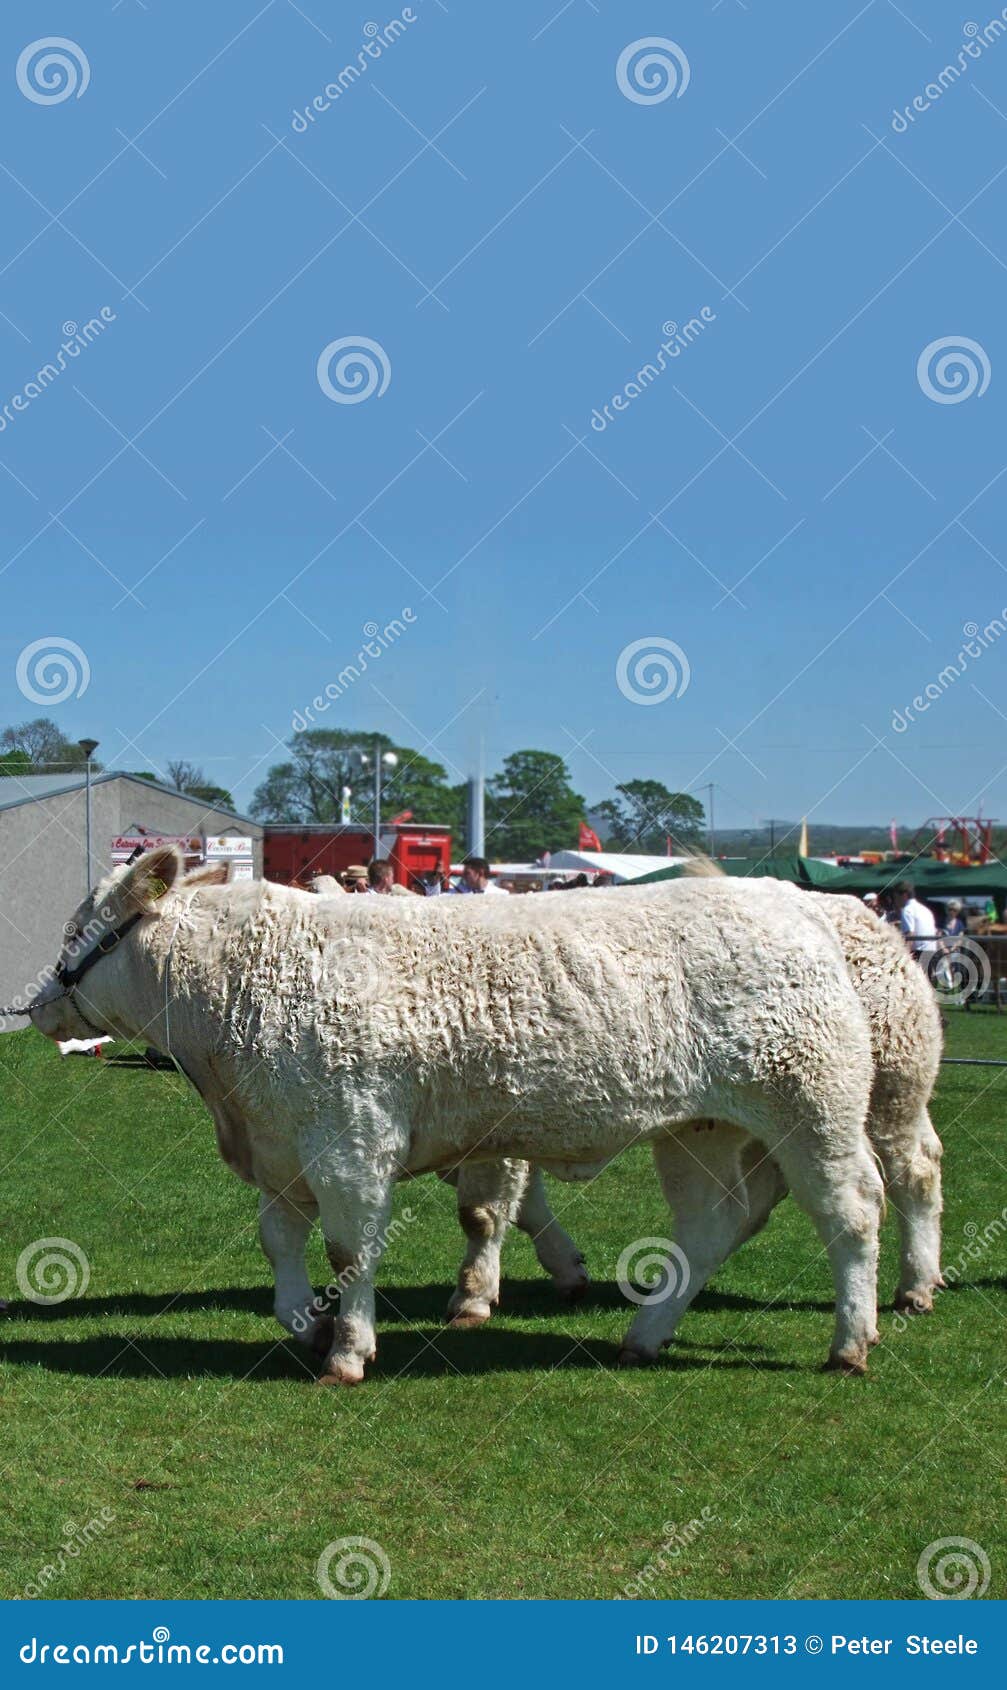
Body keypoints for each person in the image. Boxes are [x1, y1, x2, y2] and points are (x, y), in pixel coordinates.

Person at [895, 880, 938, 965]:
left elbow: (910, 935)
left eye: (896, 897)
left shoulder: (907, 910)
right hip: (932, 952)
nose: (896, 900)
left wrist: (902, 957)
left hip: (919, 953)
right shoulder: (925, 910)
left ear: (904, 895)